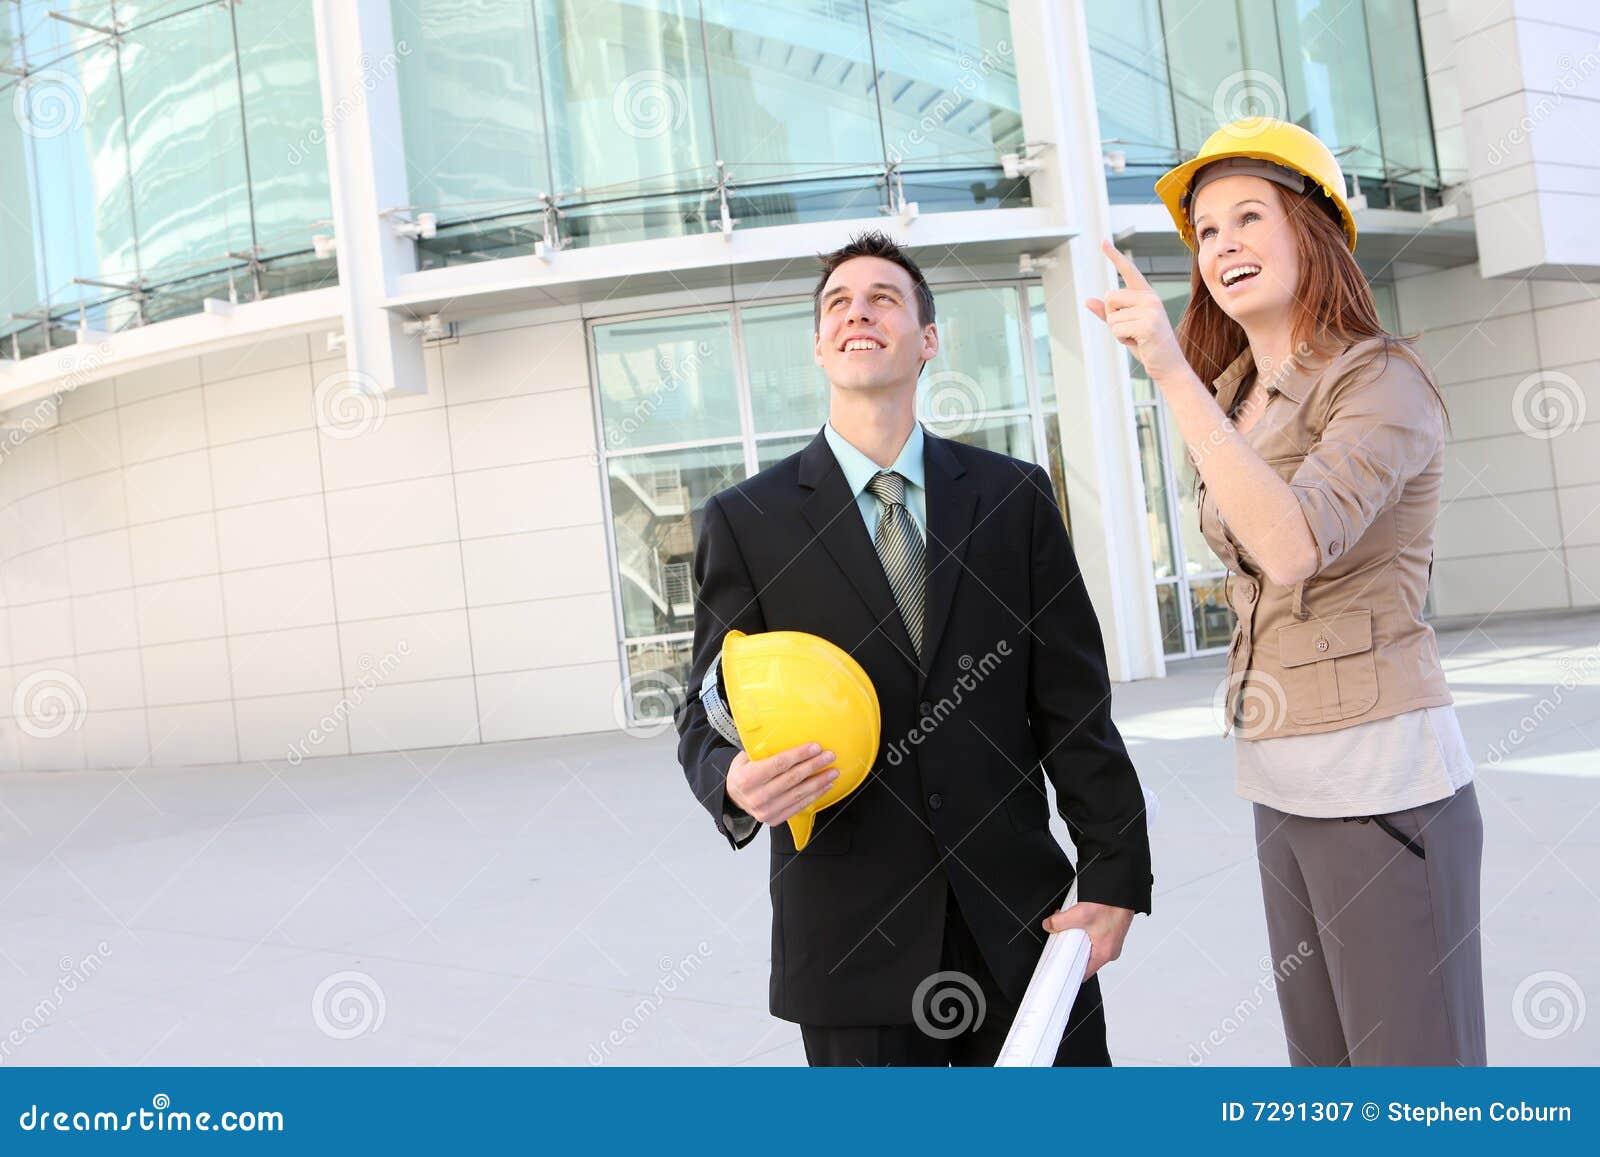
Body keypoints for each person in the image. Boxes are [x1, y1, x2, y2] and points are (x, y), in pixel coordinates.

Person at [674, 231, 1153, 1066]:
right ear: (820, 346)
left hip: (1019, 928)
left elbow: (1075, 705)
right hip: (852, 948)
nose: (858, 310)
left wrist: (1115, 874)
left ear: (928, 340)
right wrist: (734, 782)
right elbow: (706, 709)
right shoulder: (747, 521)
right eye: (838, 304)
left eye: (884, 297)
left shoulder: (1014, 498)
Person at [1087, 118, 1483, 1066]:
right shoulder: (1236, 393)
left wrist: (1168, 375)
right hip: (1282, 778)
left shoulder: (1380, 379)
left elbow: (1294, 545)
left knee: (1417, 1090)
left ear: (1314, 230)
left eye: (1247, 217)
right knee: (1327, 1079)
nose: (1222, 245)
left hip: (1381, 783)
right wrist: (1194, 386)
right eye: (1206, 231)